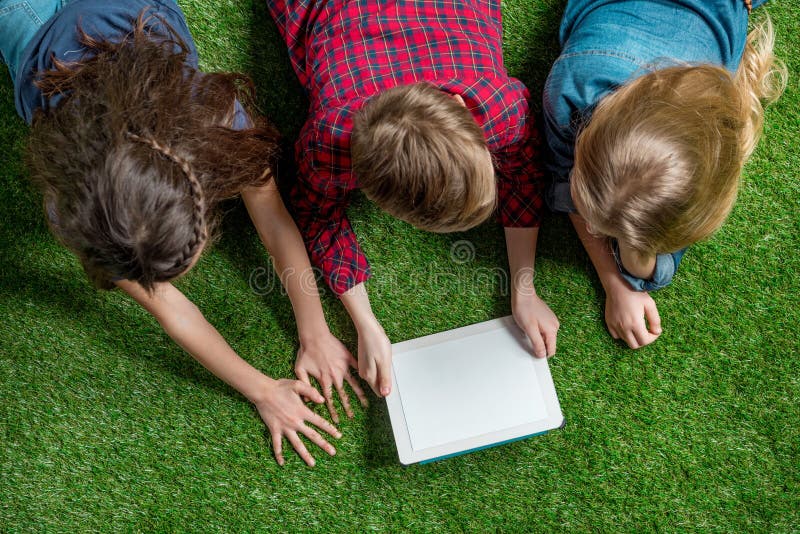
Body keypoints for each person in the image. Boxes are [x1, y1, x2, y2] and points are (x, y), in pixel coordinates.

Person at [1, 0, 367, 466]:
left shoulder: (214, 118)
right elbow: (169, 308)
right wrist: (262, 389)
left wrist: (314, 329)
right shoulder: (83, 214)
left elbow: (272, 217)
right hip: (33, 33)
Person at [267, 0, 559, 399]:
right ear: (362, 180)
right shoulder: (328, 141)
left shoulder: (501, 105)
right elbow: (315, 216)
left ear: (461, 109)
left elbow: (524, 173)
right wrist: (365, 322)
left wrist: (524, 288)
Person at [542, 0, 786, 349]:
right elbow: (562, 180)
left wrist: (630, 261)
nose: (593, 229)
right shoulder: (571, 88)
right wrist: (617, 278)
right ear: (587, 137)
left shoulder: (707, 130)